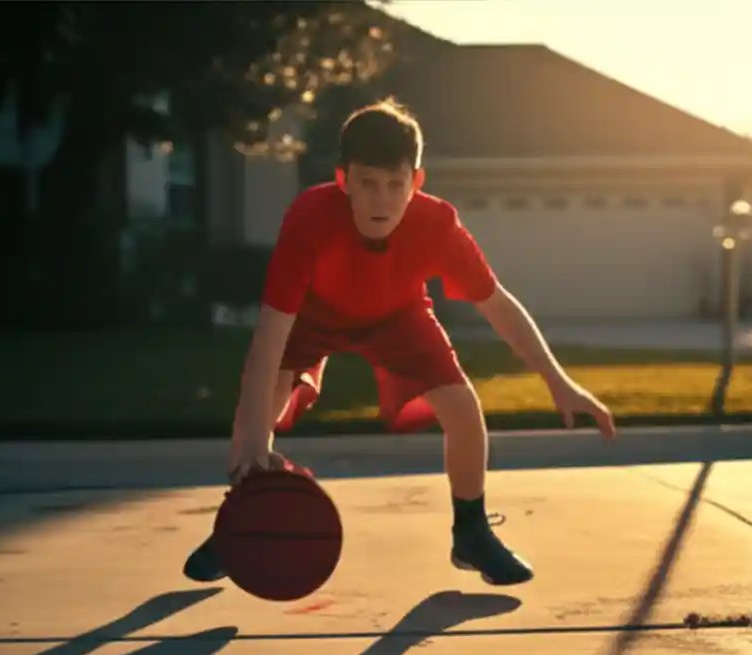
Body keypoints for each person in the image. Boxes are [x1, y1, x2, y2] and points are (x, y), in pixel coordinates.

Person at [184, 98, 617, 586]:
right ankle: (240, 521)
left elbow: (498, 305)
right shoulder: (310, 218)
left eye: (395, 185)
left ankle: (471, 533)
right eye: (367, 184)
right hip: (315, 315)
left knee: (463, 410)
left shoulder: (438, 226)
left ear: (416, 182)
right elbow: (269, 337)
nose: (381, 200)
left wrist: (556, 380)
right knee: (258, 415)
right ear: (343, 180)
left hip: (398, 316)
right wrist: (252, 442)